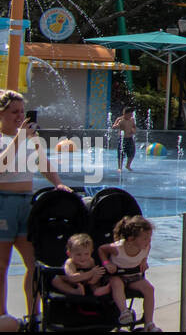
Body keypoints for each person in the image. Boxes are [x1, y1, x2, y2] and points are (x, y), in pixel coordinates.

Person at [0, 90, 72, 320]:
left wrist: (59, 184)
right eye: (14, 112)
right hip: (3, 203)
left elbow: (44, 164)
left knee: (35, 262)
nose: (20, 116)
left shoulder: (30, 138)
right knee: (2, 265)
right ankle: (2, 315)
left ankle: (34, 313)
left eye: (22, 111)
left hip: (27, 203)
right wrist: (19, 138)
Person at [100, 215, 161, 331]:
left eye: (149, 237)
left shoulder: (145, 246)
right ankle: (124, 311)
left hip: (133, 277)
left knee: (149, 288)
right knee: (117, 283)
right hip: (116, 276)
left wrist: (144, 260)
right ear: (131, 239)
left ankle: (149, 323)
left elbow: (146, 252)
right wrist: (106, 263)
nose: (148, 241)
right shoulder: (118, 248)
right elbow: (102, 249)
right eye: (145, 238)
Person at [51, 233, 113, 300]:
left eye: (86, 254)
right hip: (69, 282)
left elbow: (93, 274)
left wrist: (94, 279)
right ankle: (75, 292)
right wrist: (91, 273)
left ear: (91, 252)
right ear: (69, 254)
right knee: (56, 280)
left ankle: (98, 290)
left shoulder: (91, 261)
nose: (83, 257)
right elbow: (72, 278)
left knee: (96, 277)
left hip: (84, 281)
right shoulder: (70, 263)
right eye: (78, 254)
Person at [111, 107, 137, 172]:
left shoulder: (132, 119)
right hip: (122, 138)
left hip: (130, 138)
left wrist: (133, 130)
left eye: (131, 114)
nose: (131, 116)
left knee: (132, 152)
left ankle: (128, 165)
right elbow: (113, 127)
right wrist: (118, 124)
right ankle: (120, 167)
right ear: (125, 114)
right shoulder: (120, 119)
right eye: (130, 114)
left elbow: (134, 127)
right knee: (121, 153)